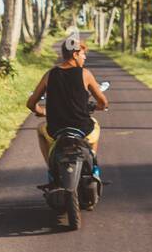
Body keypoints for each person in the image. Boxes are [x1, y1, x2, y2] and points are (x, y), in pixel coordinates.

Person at [26, 36, 109, 171]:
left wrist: (41, 111)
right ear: (75, 55)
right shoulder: (85, 74)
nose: (85, 58)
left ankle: (52, 167)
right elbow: (103, 102)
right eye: (83, 54)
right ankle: (93, 166)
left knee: (41, 130)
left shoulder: (50, 74)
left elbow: (31, 103)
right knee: (96, 126)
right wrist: (98, 106)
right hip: (82, 128)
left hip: (55, 129)